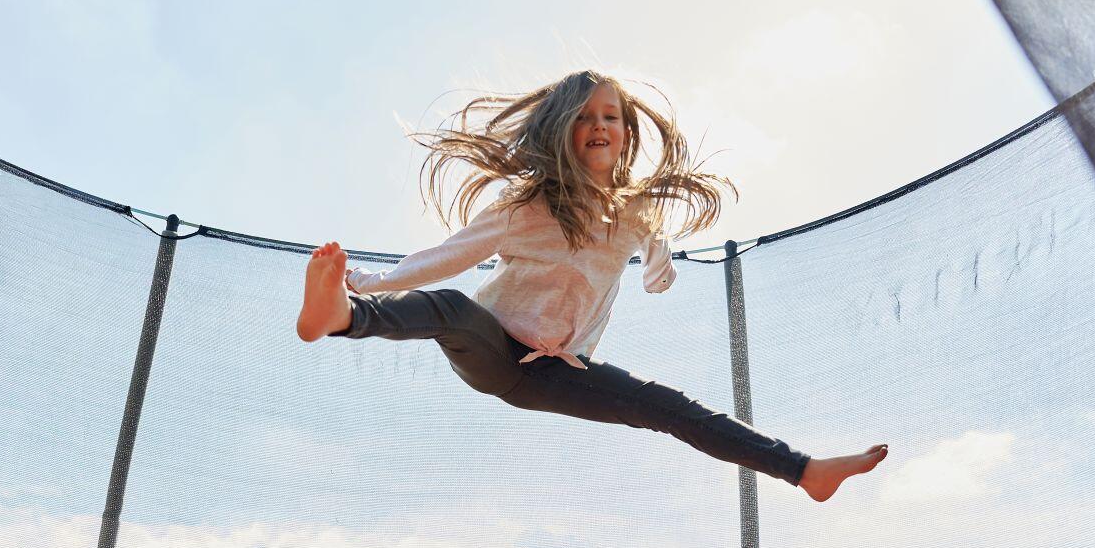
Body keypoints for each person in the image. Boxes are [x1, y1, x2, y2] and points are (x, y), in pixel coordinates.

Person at [295, 70, 886, 501]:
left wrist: (658, 263)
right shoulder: (524, 207)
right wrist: (370, 283)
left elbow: (654, 247)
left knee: (667, 406)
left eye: (609, 116)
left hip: (558, 371)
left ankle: (805, 471)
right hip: (492, 347)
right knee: (450, 306)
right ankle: (342, 317)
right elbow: (451, 256)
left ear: (625, 133)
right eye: (582, 116)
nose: (598, 125)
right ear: (560, 131)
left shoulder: (635, 213)